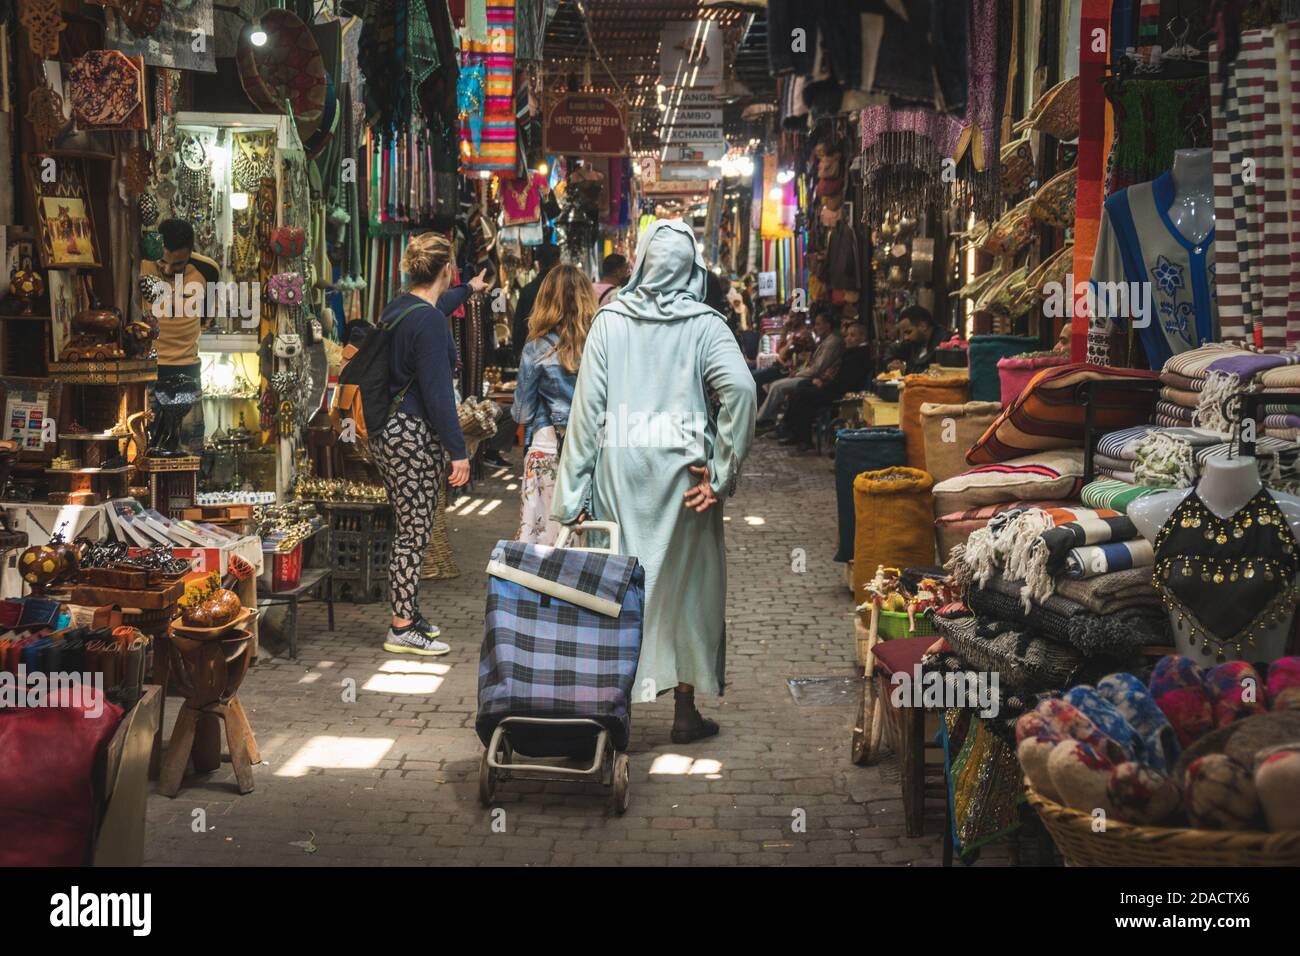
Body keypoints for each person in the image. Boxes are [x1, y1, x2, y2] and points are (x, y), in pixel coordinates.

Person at [552, 219, 756, 743]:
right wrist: (721, 469)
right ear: (692, 267)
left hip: (620, 474)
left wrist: (571, 495)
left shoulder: (610, 321)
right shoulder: (706, 324)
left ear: (641, 262)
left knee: (618, 586)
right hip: (685, 479)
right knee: (688, 591)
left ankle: (612, 709)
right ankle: (684, 713)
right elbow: (742, 391)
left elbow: (587, 413)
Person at [372, 233, 489, 656]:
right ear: (446, 269)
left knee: (411, 526)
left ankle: (409, 611)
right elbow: (440, 394)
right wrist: (458, 451)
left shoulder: (401, 308)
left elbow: (438, 302)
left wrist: (470, 289)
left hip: (389, 433)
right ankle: (402, 627)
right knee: (413, 531)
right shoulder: (431, 323)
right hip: (412, 435)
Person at [512, 264, 595, 544]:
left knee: (544, 544)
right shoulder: (599, 345)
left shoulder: (536, 348)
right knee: (583, 540)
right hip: (590, 449)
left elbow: (521, 412)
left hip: (546, 448)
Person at [139, 219, 221, 454]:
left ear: (190, 252)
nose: (167, 270)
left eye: (178, 265)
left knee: (188, 450)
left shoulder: (208, 270)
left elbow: (205, 317)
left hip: (187, 370)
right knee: (146, 446)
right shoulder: (142, 264)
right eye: (163, 262)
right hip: (148, 371)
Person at [778, 321, 873, 450]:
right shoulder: (853, 352)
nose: (848, 338)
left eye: (852, 335)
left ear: (862, 338)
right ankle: (793, 431)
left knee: (802, 395)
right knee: (802, 385)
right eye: (847, 335)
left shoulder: (859, 355)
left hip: (843, 394)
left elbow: (844, 383)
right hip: (835, 388)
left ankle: (801, 437)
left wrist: (822, 385)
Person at [756, 310, 843, 429]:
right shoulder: (820, 339)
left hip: (809, 375)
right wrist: (785, 332)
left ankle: (761, 419)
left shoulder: (829, 341)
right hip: (794, 369)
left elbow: (816, 368)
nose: (816, 327)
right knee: (761, 380)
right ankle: (769, 420)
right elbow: (781, 352)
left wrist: (797, 373)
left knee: (775, 385)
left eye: (818, 324)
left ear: (827, 325)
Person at [511, 243, 561, 362]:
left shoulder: (527, 290)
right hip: (560, 355)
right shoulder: (563, 289)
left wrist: (519, 354)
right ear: (557, 261)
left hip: (532, 353)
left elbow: (518, 330)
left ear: (538, 263)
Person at [886, 304, 946, 374]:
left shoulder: (944, 342)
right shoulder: (914, 342)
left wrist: (906, 370)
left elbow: (938, 373)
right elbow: (891, 350)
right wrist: (891, 364)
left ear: (923, 326)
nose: (906, 337)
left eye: (908, 332)